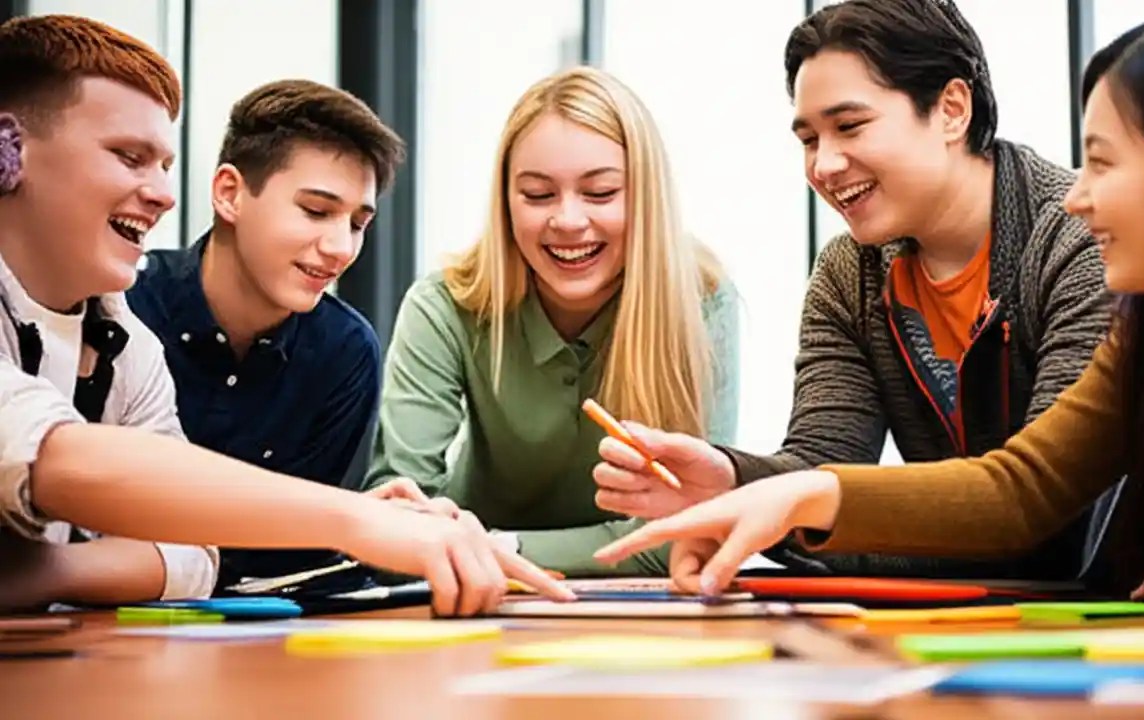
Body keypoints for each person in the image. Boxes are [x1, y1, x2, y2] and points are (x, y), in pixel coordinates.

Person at [595, 3, 1144, 617]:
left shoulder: (1073, 248)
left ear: (953, 109)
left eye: (851, 125)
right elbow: (1012, 490)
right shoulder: (851, 273)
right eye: (808, 138)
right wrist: (743, 484)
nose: (824, 164)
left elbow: (1052, 526)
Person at [0, 14, 572, 616]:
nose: (165, 194)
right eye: (129, 156)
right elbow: (58, 460)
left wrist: (38, 571)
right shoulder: (141, 313)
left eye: (164, 166)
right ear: (8, 152)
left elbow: (196, 553)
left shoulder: (125, 342)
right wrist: (357, 520)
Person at [364, 66, 740, 576]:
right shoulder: (444, 306)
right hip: (468, 596)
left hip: (600, 607)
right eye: (538, 195)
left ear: (645, 197)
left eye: (601, 193)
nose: (567, 220)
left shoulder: (703, 301)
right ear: (506, 202)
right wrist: (449, 545)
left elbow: (687, 535)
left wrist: (497, 549)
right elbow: (391, 522)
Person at [128, 79, 396, 590]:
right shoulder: (127, 308)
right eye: (316, 211)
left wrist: (363, 521)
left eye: (358, 223)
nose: (341, 248)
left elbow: (290, 558)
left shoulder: (346, 352)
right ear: (229, 194)